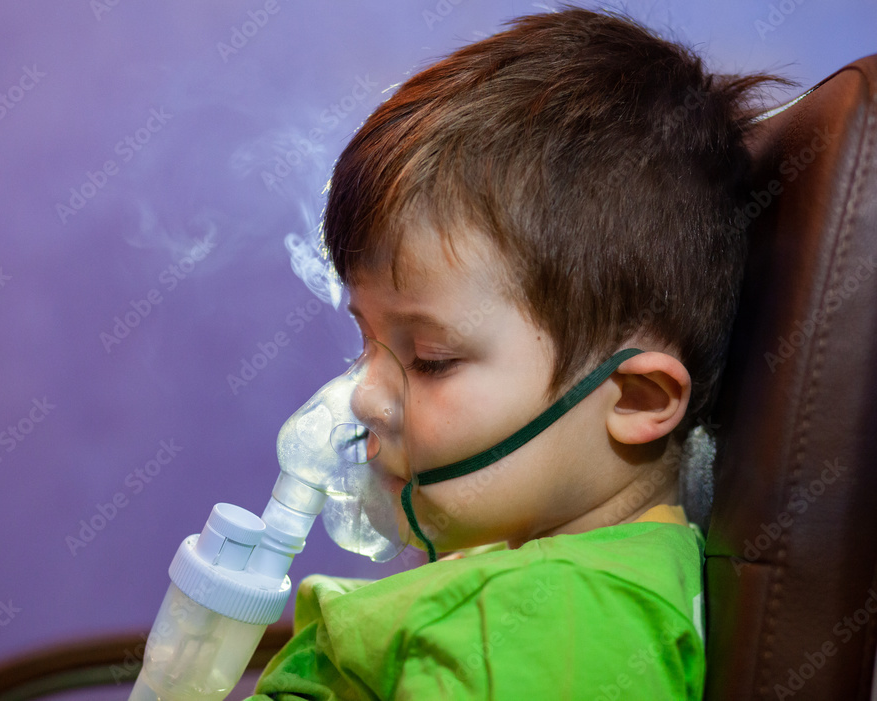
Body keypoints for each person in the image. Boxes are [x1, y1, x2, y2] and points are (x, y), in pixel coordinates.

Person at [248, 7, 780, 699]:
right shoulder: (529, 585)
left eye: (430, 358)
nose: (364, 396)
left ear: (636, 398)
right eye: (367, 340)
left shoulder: (551, 623)